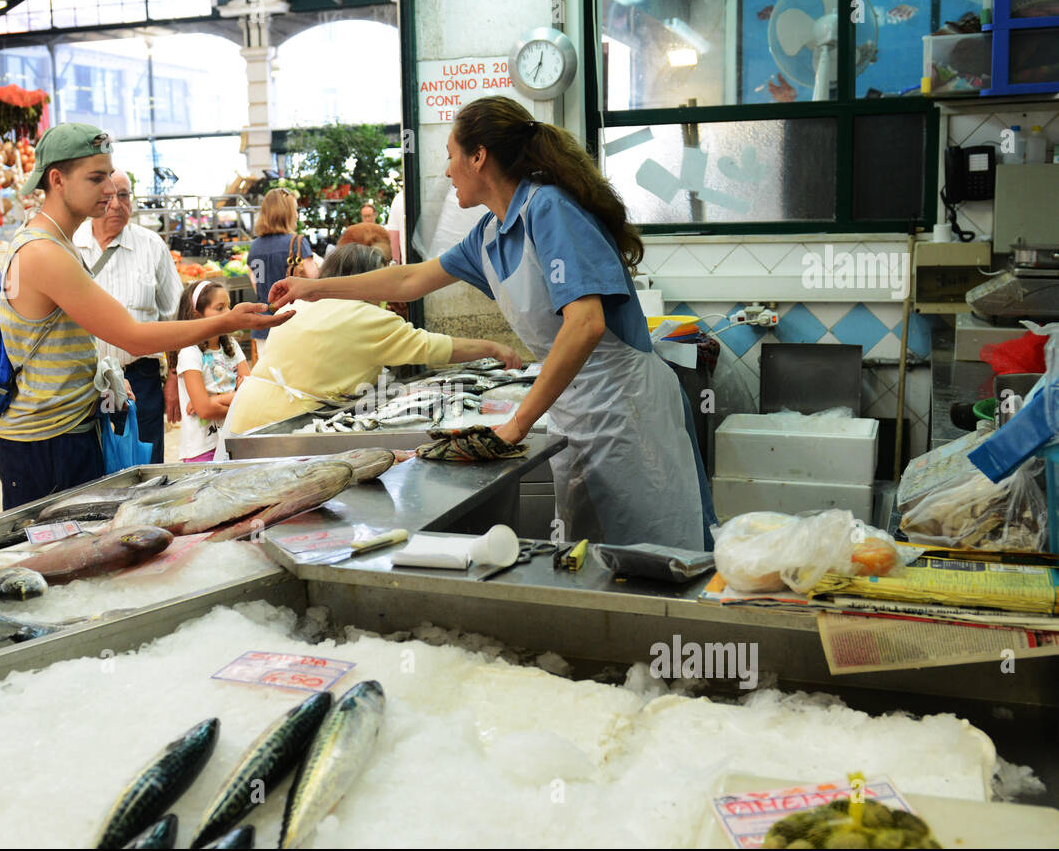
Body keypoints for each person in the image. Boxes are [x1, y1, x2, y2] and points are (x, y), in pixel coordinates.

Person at [270, 96, 716, 550]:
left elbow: (586, 325)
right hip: (572, 412)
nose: (446, 171)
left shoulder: (549, 210)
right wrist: (315, 288)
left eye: (450, 155)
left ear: (478, 156)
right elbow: (409, 279)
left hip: (627, 410)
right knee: (597, 561)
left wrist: (518, 424)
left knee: (662, 556)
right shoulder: (488, 234)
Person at [0, 122, 291, 509]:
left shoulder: (57, 244)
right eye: (96, 178)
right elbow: (132, 336)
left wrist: (103, 376)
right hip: (46, 443)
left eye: (112, 178)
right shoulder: (44, 253)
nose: (109, 191)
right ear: (57, 180)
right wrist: (227, 321)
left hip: (66, 431)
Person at [218, 242, 521, 450]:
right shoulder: (367, 317)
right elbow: (435, 348)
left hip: (244, 420)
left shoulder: (303, 304)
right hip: (290, 434)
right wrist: (494, 349)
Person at [73, 170, 181, 463]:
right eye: (109, 197)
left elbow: (175, 316)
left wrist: (173, 377)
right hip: (86, 382)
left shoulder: (151, 246)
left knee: (145, 466)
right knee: (92, 465)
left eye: (124, 195)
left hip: (141, 378)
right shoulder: (71, 245)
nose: (118, 204)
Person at [171, 279, 249, 462]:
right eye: (220, 308)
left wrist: (216, 400)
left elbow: (251, 395)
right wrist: (236, 398)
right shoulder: (190, 352)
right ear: (198, 315)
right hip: (203, 450)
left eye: (229, 306)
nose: (229, 313)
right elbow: (204, 410)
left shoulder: (233, 346)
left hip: (235, 442)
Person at [245, 188, 317, 361]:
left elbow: (259, 286)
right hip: (295, 322)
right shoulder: (297, 243)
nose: (297, 216)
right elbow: (314, 281)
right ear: (287, 213)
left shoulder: (255, 246)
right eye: (295, 210)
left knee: (270, 378)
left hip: (263, 325)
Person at [386, 187, 405, 264]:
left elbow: (393, 238)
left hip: (411, 268)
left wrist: (395, 265)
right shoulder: (399, 198)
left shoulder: (399, 198)